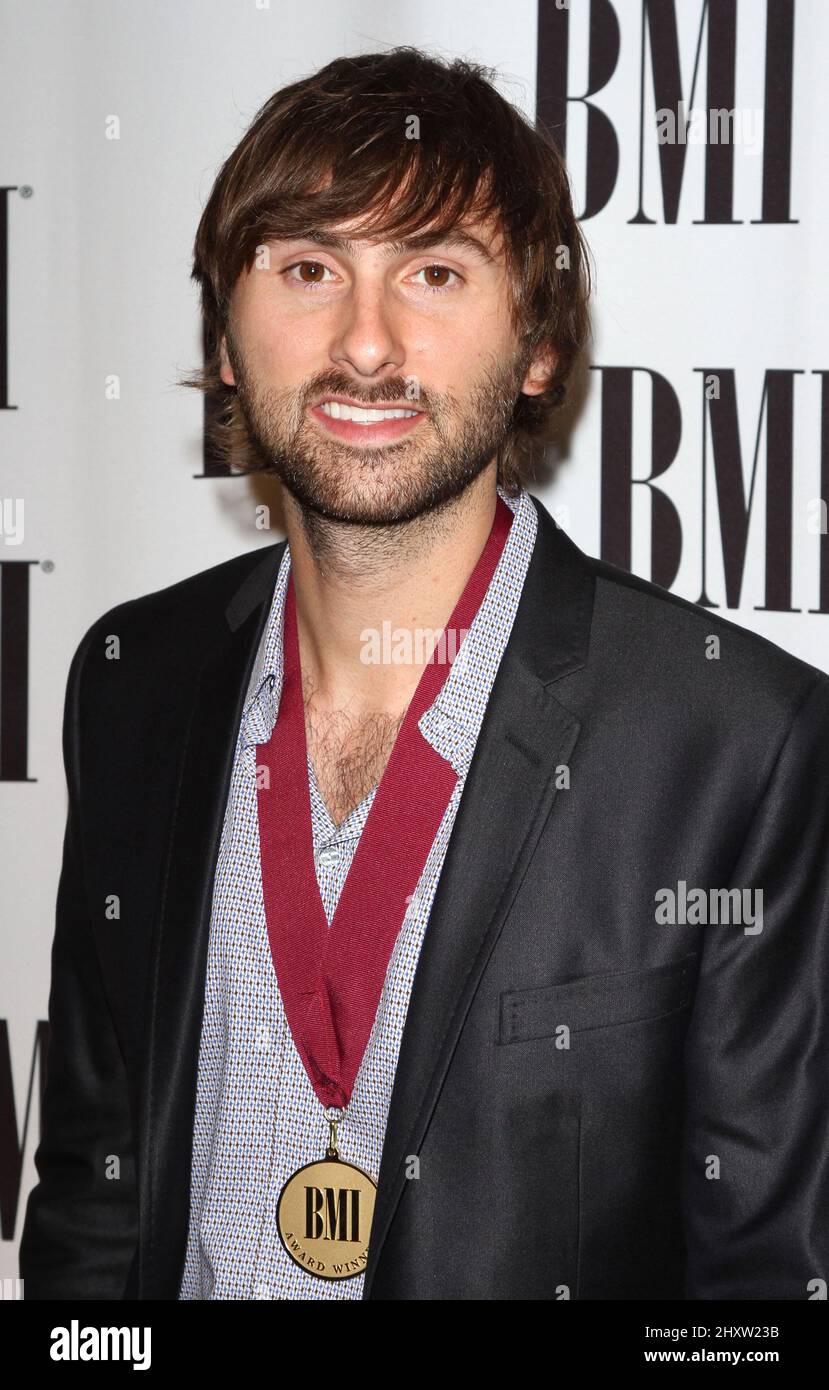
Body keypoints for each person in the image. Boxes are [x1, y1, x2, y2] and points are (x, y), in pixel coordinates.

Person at [20, 47, 829, 1301]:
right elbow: (90, 1191)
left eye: (435, 274)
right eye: (307, 269)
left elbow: (762, 1287)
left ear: (538, 348)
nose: (364, 341)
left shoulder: (732, 739)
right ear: (229, 340)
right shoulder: (132, 680)